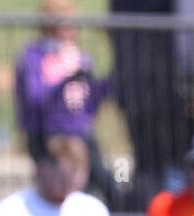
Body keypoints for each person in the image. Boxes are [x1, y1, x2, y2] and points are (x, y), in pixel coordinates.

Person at [108, 0, 194, 210]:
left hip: (143, 90)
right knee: (185, 166)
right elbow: (190, 31)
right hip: (168, 95)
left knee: (154, 168)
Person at [14, 0, 117, 201]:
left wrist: (110, 81)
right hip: (48, 136)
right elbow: (34, 97)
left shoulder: (79, 56)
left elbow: (90, 98)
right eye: (68, 23)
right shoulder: (34, 56)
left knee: (103, 185)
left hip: (81, 134)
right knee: (62, 189)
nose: (75, 29)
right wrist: (65, 77)